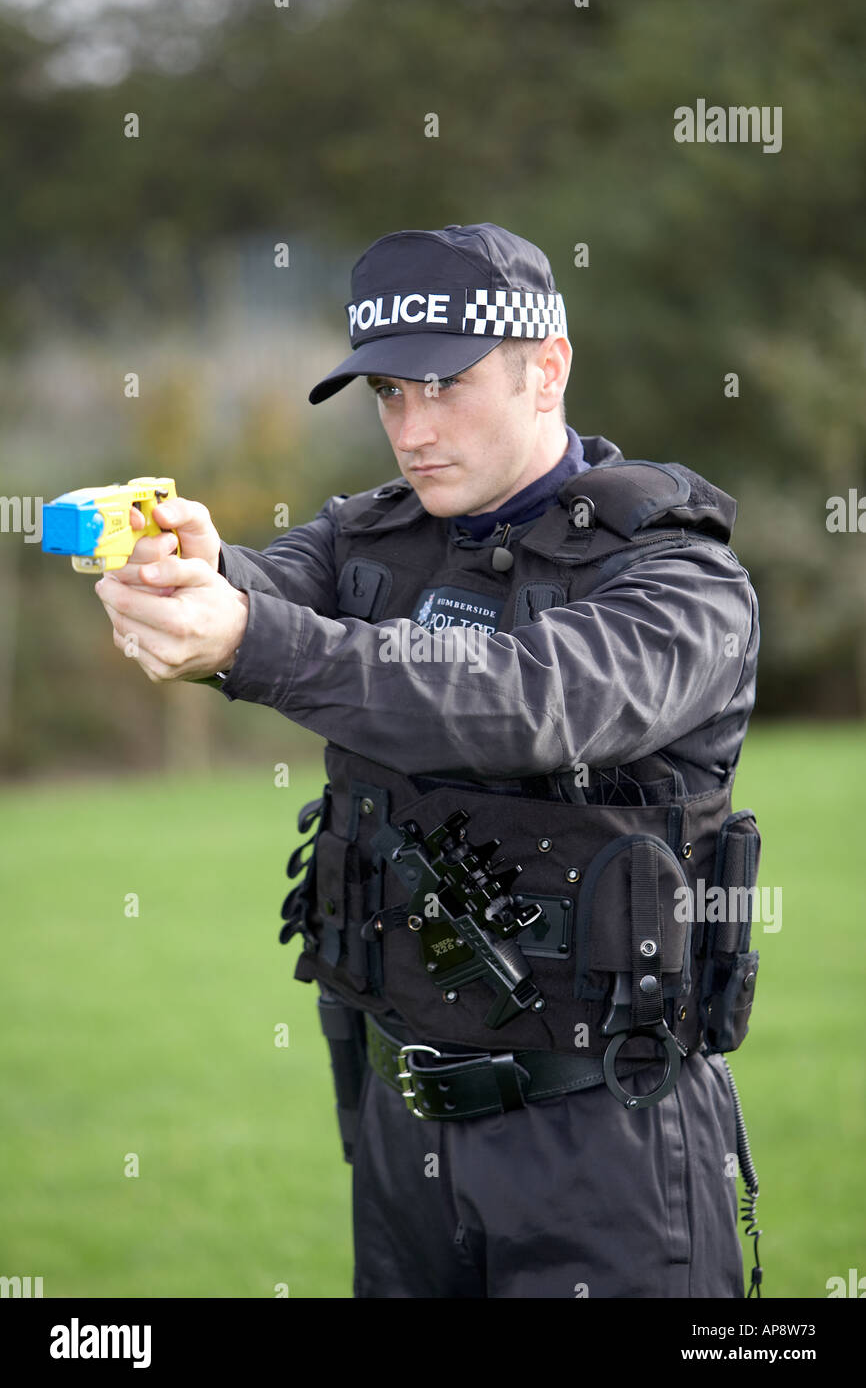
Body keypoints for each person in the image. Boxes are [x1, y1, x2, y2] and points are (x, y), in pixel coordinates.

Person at [95, 222, 763, 1299]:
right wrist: (192, 567)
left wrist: (245, 640)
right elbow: (263, 588)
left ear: (545, 368)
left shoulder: (680, 579)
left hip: (606, 1136)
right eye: (390, 395)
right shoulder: (374, 534)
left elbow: (521, 700)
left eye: (444, 386)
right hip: (400, 1129)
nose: (413, 427)